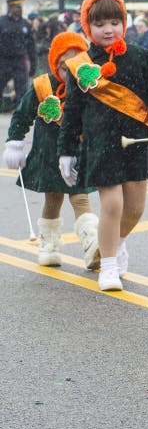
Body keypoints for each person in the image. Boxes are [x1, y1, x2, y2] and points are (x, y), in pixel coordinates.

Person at [57, 0, 148, 291]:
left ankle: (117, 243)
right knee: (112, 204)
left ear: (124, 23)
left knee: (135, 208)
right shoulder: (80, 65)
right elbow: (71, 111)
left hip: (138, 141)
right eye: (100, 24)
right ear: (87, 26)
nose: (108, 29)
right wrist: (66, 152)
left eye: (114, 22)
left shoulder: (139, 57)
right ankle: (108, 267)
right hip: (101, 144)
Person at [3, 32, 100, 267]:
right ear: (55, 64)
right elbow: (22, 114)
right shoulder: (42, 85)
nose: (71, 73)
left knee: (80, 198)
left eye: (76, 65)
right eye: (65, 67)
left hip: (78, 152)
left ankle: (93, 245)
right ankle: (49, 244)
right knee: (53, 200)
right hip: (48, 153)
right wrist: (14, 141)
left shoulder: (90, 85)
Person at [0, 0, 37, 112]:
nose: (19, 9)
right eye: (17, 7)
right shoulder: (2, 22)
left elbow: (31, 46)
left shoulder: (25, 24)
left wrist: (34, 63)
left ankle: (19, 111)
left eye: (20, 7)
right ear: (10, 8)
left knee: (21, 87)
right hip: (3, 60)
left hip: (19, 60)